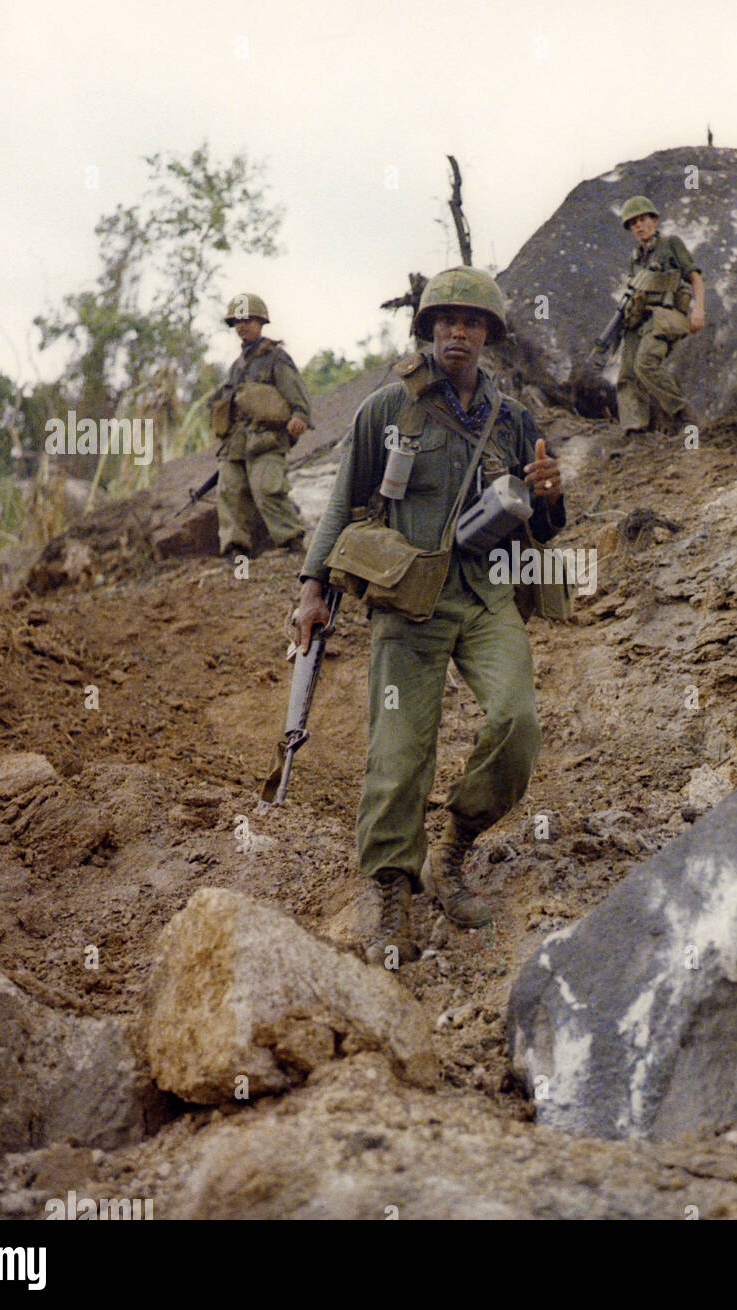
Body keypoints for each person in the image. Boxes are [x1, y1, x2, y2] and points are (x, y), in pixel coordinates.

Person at [293, 267, 566, 966]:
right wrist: (311, 589)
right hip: (408, 597)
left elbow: (547, 522)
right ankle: (389, 887)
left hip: (484, 596)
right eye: (445, 321)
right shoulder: (388, 409)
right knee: (400, 750)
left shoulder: (511, 419)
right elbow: (340, 502)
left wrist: (550, 493)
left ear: (487, 336)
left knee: (516, 720)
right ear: (426, 329)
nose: (458, 333)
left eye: (472, 323)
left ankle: (453, 850)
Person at [210, 293, 312, 557]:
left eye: (247, 320)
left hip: (266, 438)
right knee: (229, 491)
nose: (242, 326)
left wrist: (299, 415)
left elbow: (295, 392)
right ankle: (236, 549)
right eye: (237, 322)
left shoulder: (275, 358)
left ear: (260, 321)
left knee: (268, 488)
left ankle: (291, 543)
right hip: (236, 442)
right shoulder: (236, 367)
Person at [614, 196, 705, 435]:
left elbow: (694, 276)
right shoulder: (635, 258)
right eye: (633, 223)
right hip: (639, 321)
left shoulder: (670, 243)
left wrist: (698, 309)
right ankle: (636, 431)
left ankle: (684, 415)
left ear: (654, 220)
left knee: (645, 363)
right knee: (627, 374)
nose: (639, 226)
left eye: (643, 219)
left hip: (665, 317)